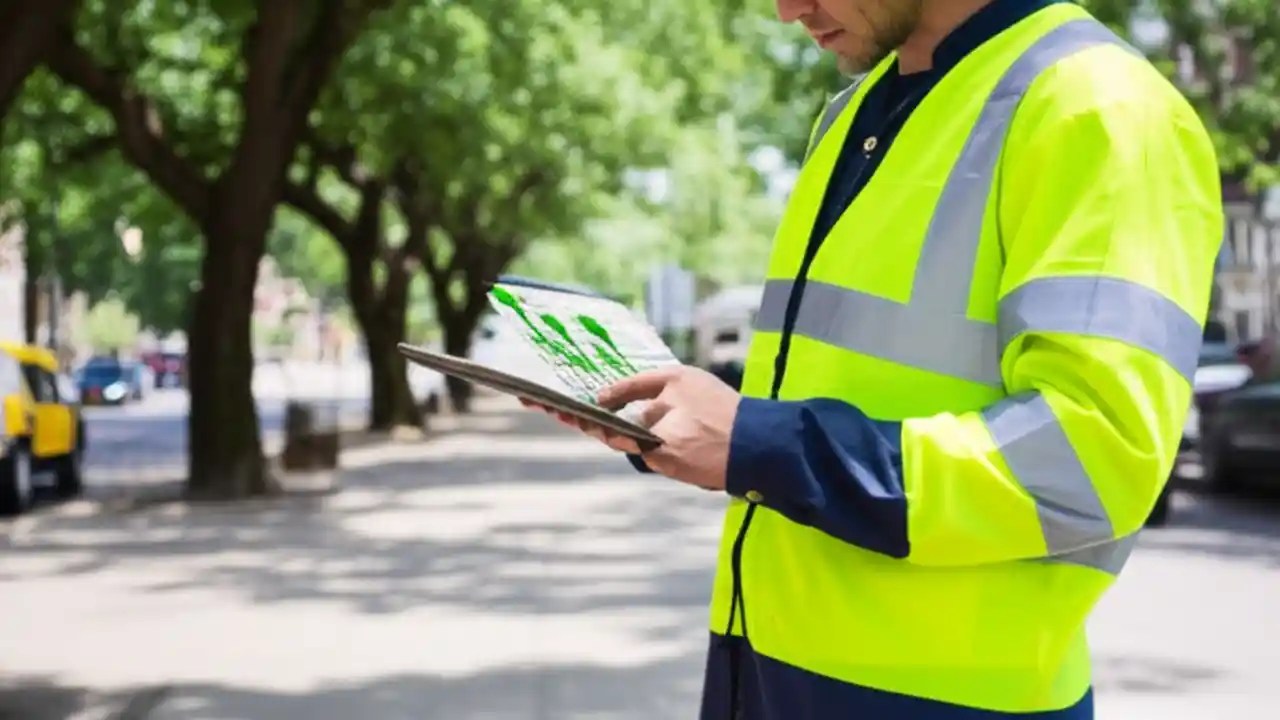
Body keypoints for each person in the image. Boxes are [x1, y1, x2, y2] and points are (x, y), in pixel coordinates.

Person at [524, 0, 1223, 717]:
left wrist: (761, 444)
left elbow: (1092, 459)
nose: (786, 8)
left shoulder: (1099, 107)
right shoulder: (853, 112)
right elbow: (836, 383)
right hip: (763, 669)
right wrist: (682, 421)